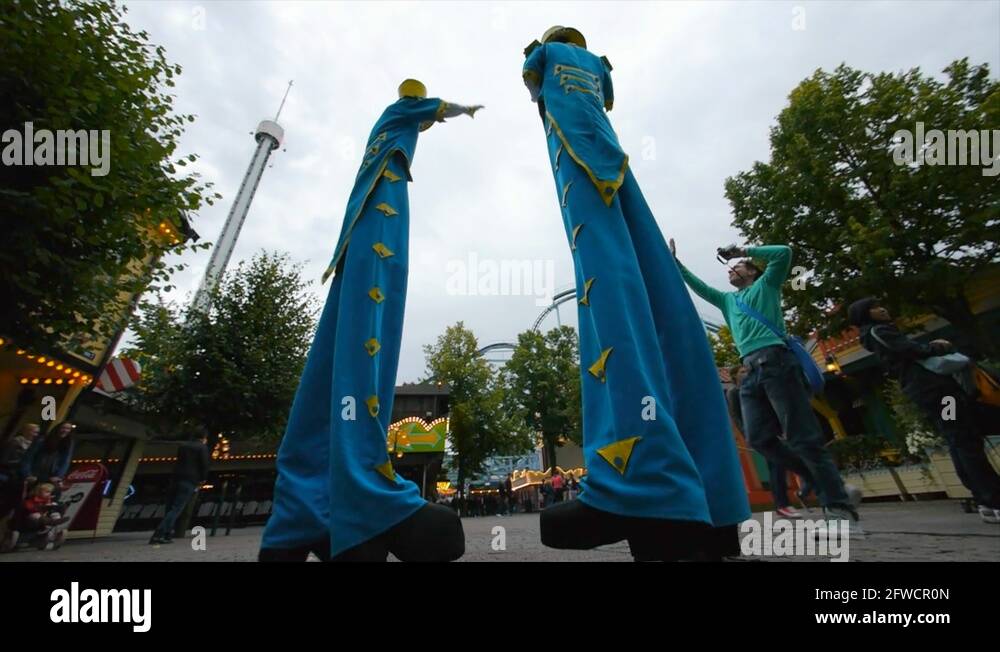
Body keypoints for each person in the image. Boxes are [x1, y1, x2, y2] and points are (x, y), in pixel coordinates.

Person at [523, 26, 750, 560]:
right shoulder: (600, 68)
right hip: (612, 153)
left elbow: (534, 80)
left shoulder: (545, 57)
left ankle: (642, 481)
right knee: (659, 298)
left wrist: (538, 71)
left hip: (579, 155)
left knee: (608, 294)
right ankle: (711, 499)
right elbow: (604, 95)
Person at [261, 80, 483, 562]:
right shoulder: (398, 124)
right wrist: (462, 109)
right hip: (378, 212)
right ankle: (362, 495)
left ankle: (303, 516)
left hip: (362, 219)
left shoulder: (385, 148)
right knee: (369, 320)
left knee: (335, 344)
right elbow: (431, 107)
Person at [674, 242, 861, 529]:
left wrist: (740, 251)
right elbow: (698, 287)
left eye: (737, 267)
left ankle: (839, 508)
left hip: (777, 363)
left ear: (752, 272)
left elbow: (784, 254)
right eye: (730, 268)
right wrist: (675, 261)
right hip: (748, 370)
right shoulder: (727, 301)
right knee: (758, 438)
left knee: (801, 436)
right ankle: (820, 479)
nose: (731, 271)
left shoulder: (767, 287)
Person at [849, 297, 1000, 524]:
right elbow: (909, 350)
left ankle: (984, 499)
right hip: (939, 393)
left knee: (958, 439)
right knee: (963, 439)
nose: (882, 309)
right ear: (865, 314)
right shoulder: (879, 332)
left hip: (931, 392)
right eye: (874, 307)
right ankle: (991, 498)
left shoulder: (877, 333)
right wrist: (935, 347)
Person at [725, 367, 802, 519]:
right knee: (777, 464)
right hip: (756, 434)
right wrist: (747, 435)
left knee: (780, 464)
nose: (746, 374)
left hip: (770, 430)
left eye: (746, 371)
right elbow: (736, 416)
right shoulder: (734, 392)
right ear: (734, 376)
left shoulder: (756, 388)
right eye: (742, 372)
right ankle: (783, 503)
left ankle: (787, 501)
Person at [149, 431, 210, 545]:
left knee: (170, 507)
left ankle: (166, 534)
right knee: (177, 508)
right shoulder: (202, 448)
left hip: (176, 477)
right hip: (190, 480)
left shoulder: (183, 446)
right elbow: (204, 464)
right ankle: (159, 534)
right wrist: (203, 479)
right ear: (204, 438)